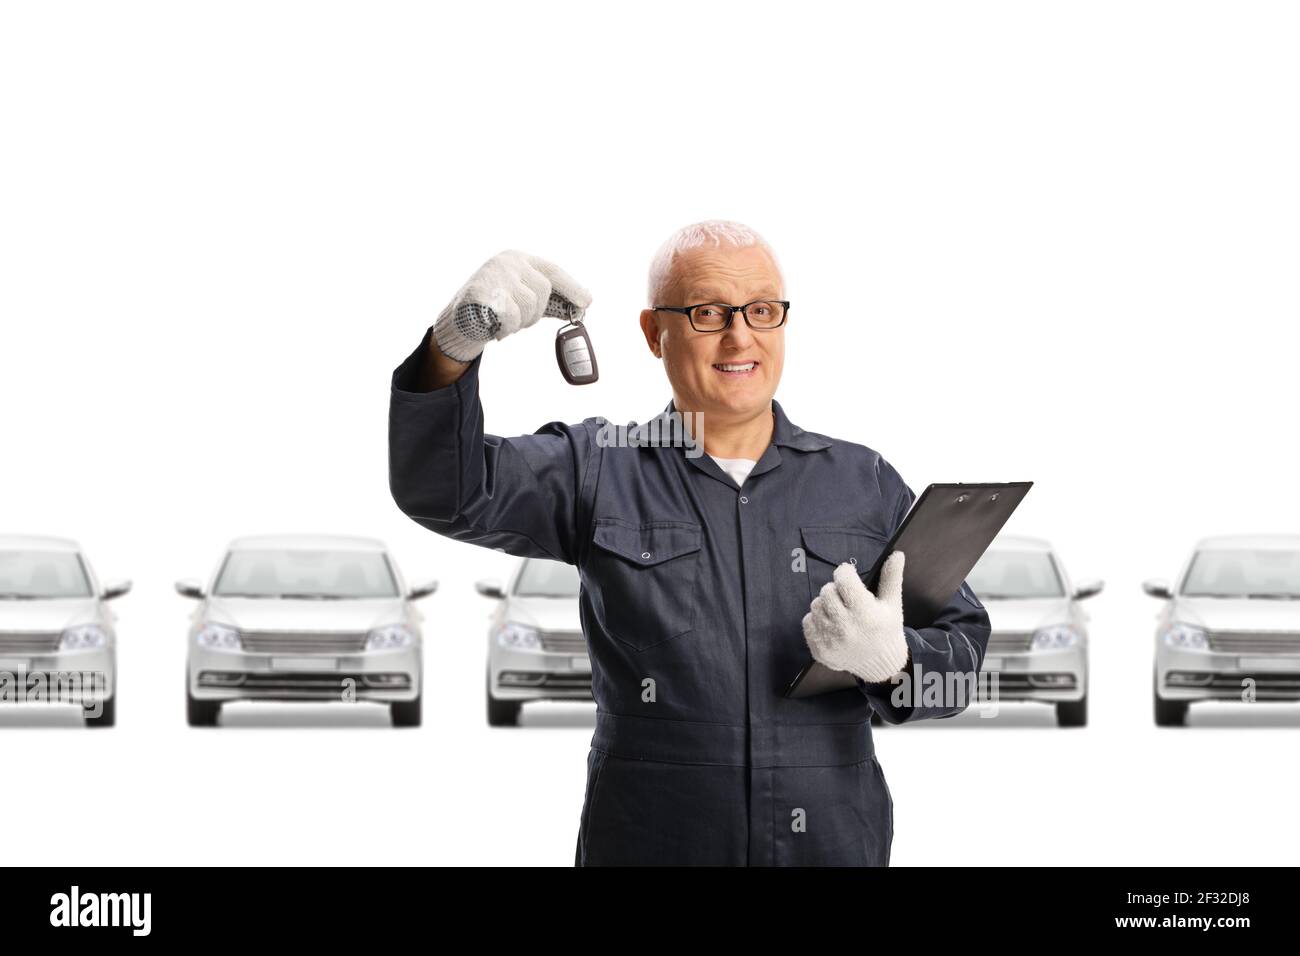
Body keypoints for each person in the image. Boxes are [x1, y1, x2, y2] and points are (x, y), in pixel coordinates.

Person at [388, 220, 991, 865]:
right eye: (708, 313)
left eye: (761, 310)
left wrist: (897, 662)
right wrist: (457, 341)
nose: (740, 336)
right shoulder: (598, 468)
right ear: (654, 333)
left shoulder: (863, 482)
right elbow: (444, 491)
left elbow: (961, 668)